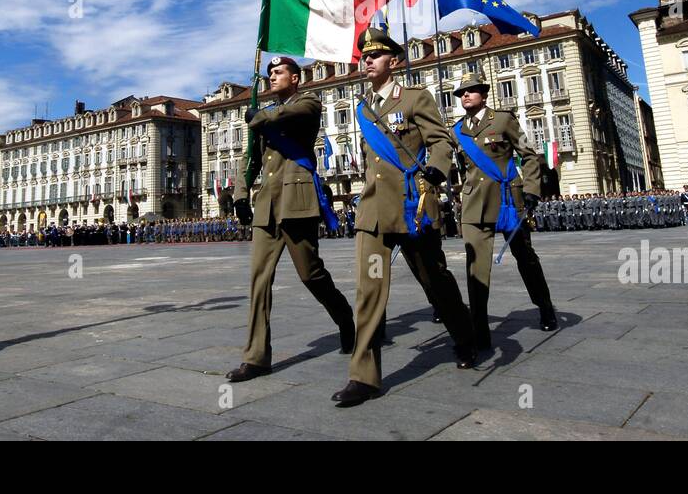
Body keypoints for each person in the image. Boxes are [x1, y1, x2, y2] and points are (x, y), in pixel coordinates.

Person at [333, 27, 475, 408]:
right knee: (369, 290)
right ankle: (363, 377)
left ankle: (464, 335)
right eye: (364, 57)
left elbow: (441, 141)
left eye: (374, 56)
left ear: (392, 61)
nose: (366, 61)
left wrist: (437, 170)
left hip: (412, 208)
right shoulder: (363, 108)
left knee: (435, 281)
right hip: (374, 212)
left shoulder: (414, 98)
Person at [225, 56, 355, 384]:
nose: (272, 76)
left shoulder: (307, 101)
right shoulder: (263, 116)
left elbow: (290, 115)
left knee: (311, 274)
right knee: (259, 280)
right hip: (267, 204)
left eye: (279, 72)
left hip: (297, 203)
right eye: (269, 72)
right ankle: (256, 358)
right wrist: (241, 194)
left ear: (295, 78)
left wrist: (259, 116)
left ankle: (344, 316)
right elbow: (249, 158)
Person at [451, 72, 556, 353]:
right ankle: (480, 328)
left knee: (526, 257)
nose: (465, 95)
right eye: (461, 92)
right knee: (475, 266)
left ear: (483, 94)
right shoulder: (457, 130)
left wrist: (533, 189)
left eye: (471, 90)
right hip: (474, 203)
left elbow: (530, 154)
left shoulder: (503, 120)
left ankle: (544, 305)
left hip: (509, 199)